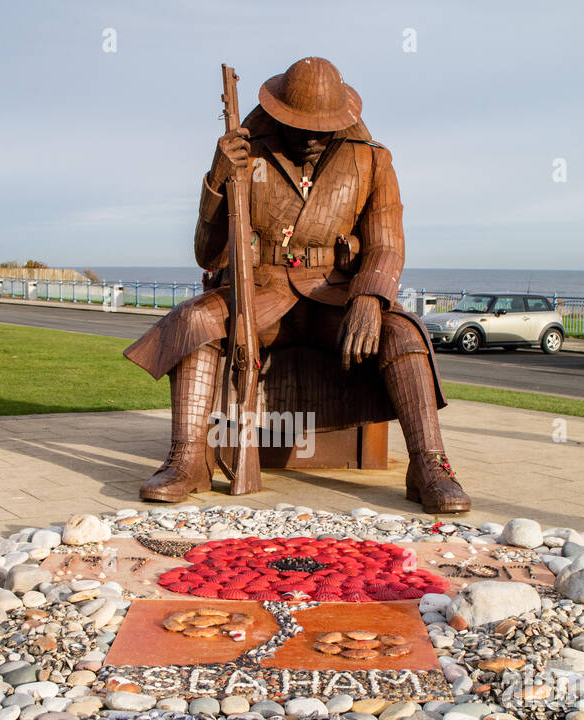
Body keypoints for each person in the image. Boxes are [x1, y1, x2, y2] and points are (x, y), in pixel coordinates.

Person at [124, 57, 470, 513]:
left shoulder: (372, 159)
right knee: (195, 320)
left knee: (404, 333)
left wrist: (370, 296)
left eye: (320, 128)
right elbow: (207, 254)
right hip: (264, 294)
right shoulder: (246, 154)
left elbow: (387, 242)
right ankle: (187, 459)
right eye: (298, 125)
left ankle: (429, 465)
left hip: (333, 298)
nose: (309, 136)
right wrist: (217, 178)